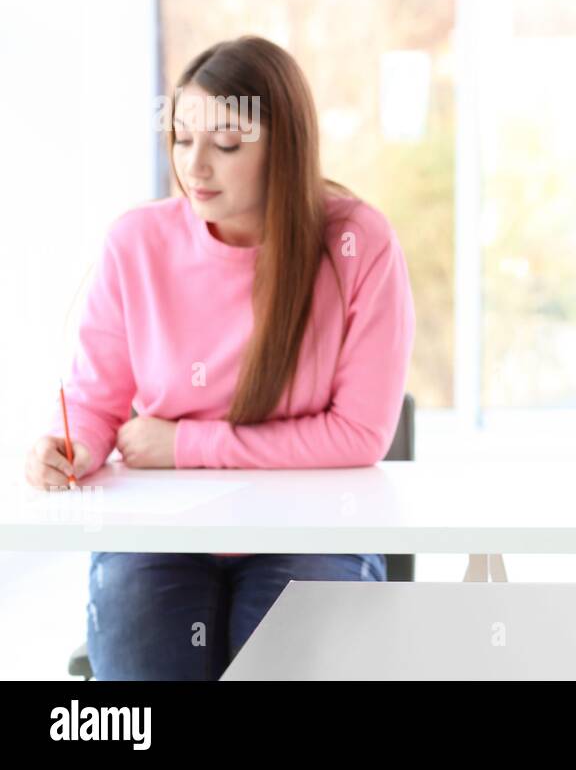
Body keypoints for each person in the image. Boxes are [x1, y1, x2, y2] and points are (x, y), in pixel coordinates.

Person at [24, 36, 416, 678]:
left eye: (227, 144)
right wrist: (77, 448)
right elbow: (95, 406)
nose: (195, 167)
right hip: (160, 533)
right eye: (182, 140)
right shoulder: (136, 243)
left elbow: (358, 434)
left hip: (305, 532)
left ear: (283, 147)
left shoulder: (357, 244)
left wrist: (183, 444)